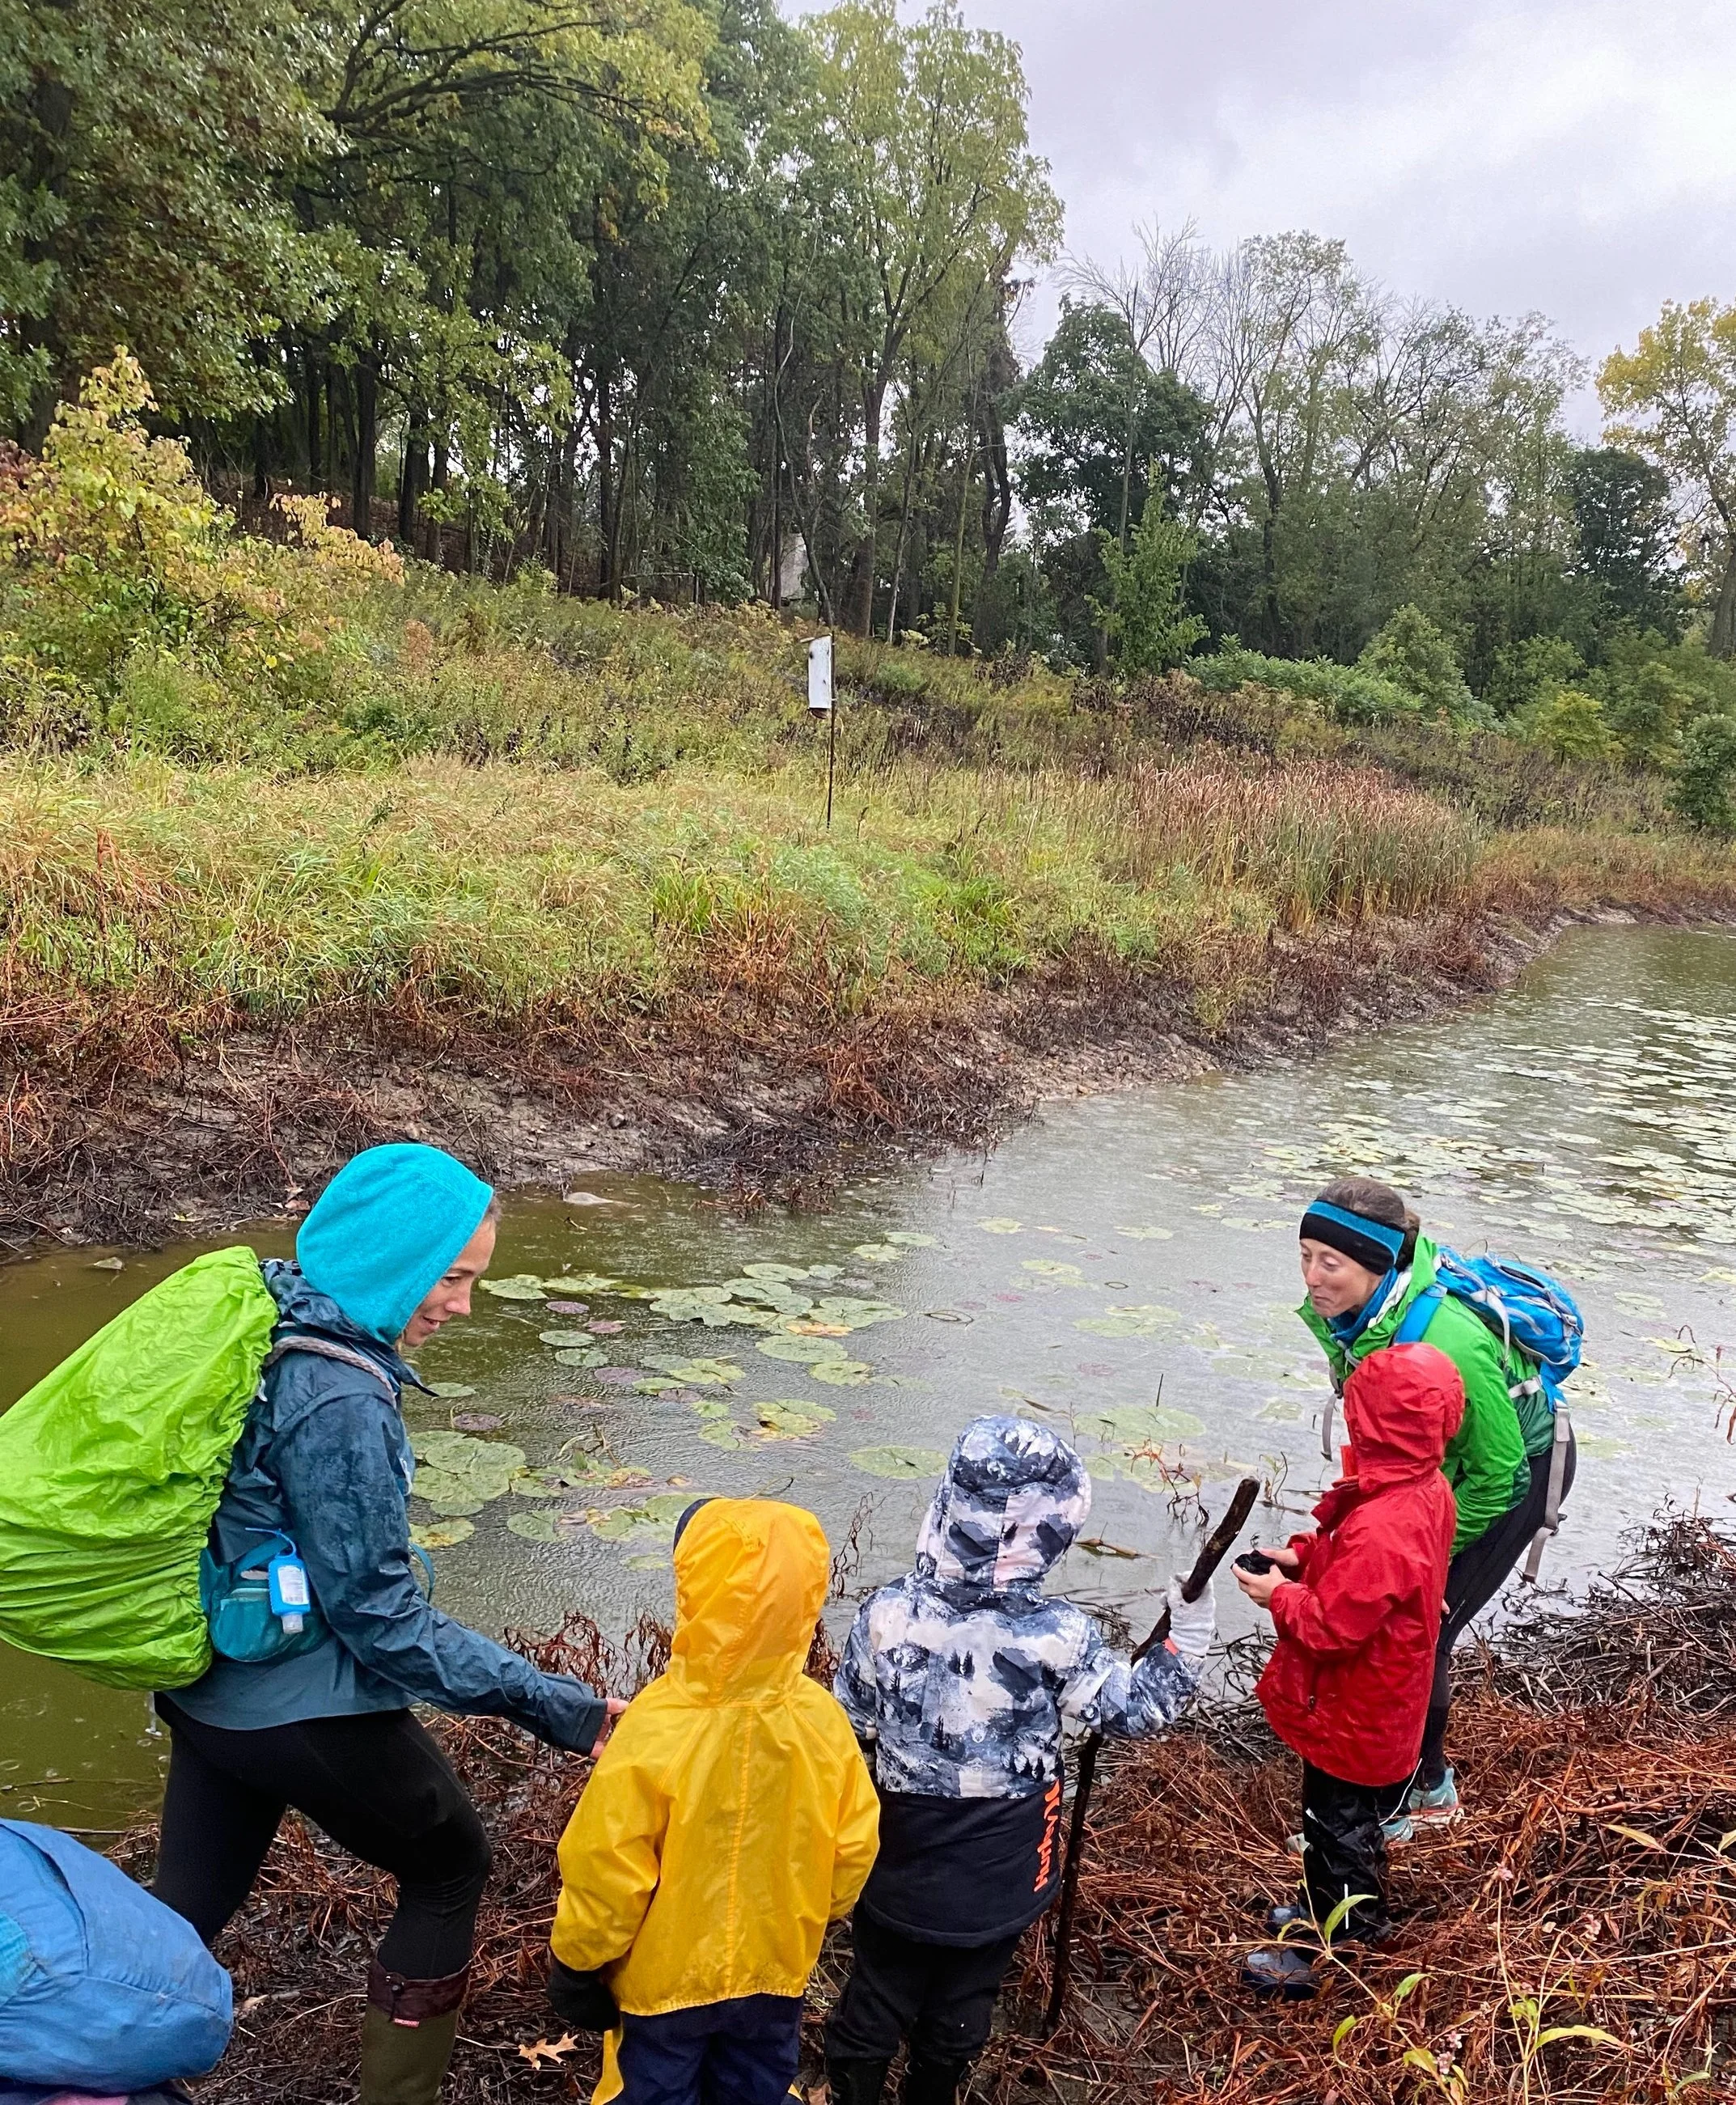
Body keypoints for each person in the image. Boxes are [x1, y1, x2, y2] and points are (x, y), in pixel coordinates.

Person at [151, 1142, 620, 2105]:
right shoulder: (340, 1394)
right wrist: (564, 1709)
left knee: (182, 1908)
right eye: (451, 1277)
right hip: (299, 1704)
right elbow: (382, 1620)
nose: (460, 1305)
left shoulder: (266, 1323)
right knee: (451, 1864)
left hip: (210, 1685)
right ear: (389, 1259)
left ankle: (56, 2058)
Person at [824, 1417, 1216, 2105]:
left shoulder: (885, 1614)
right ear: (1050, 1528)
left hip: (896, 1849)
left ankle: (854, 2089)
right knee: (966, 1993)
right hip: (1004, 1858)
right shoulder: (1060, 1636)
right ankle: (933, 2091)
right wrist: (1187, 1634)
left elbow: (848, 1724)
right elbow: (1141, 1711)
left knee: (878, 1984)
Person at [545, 1497, 880, 2105]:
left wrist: (577, 1961)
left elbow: (607, 1866)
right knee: (756, 2089)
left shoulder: (658, 1724)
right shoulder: (823, 1723)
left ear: (694, 1588)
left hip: (661, 1988)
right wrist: (811, 1916)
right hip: (776, 1975)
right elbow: (854, 1847)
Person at [1296, 1175, 1576, 1832]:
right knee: (1393, 1620)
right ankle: (1409, 1784)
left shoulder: (1446, 1335)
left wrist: (1415, 1558)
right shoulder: (1351, 1310)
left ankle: (1421, 1795)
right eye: (1305, 1254)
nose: (1312, 1275)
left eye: (1329, 1262)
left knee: (1420, 1635)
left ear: (1376, 1264)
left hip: (1514, 1477)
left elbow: (1500, 1466)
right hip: (1432, 1478)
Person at [1236, 1342, 1463, 1999]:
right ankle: (1322, 1914)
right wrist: (1301, 1556)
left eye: (1356, 1410)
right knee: (1336, 1822)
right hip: (1378, 1701)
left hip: (1355, 1710)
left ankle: (1342, 1944)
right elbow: (1359, 1563)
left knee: (1338, 1829)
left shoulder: (1389, 1518)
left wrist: (1276, 1595)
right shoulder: (1421, 1487)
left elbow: (1333, 1626)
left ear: (1374, 1425)